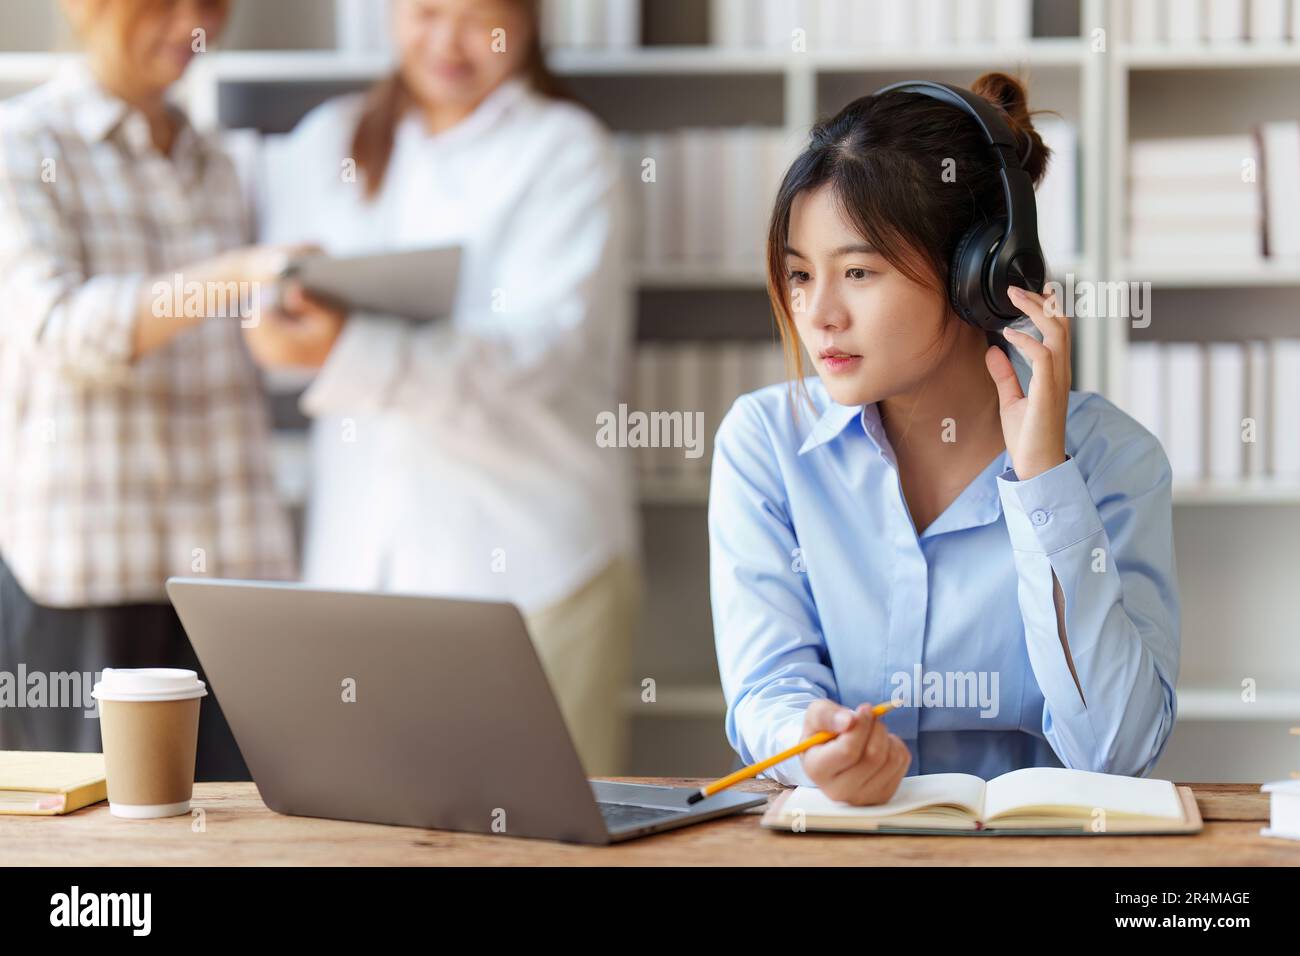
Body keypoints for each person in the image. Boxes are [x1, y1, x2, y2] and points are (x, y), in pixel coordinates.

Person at [709, 73, 1180, 805]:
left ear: (981, 275)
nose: (819, 314)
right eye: (801, 275)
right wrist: (814, 747)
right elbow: (767, 692)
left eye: (858, 271)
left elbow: (1117, 752)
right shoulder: (766, 442)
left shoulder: (1116, 459)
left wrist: (1044, 483)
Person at [244, 0, 640, 775]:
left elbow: (537, 356)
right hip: (363, 568)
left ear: (524, 23)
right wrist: (279, 327)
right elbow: (277, 316)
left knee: (541, 841)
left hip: (534, 567)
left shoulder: (565, 150)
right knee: (369, 836)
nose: (448, 44)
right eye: (426, 13)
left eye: (477, 19)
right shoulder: (327, 140)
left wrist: (347, 344)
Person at [0, 0, 298, 781]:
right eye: (163, 2)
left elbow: (250, 345)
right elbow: (60, 329)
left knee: (247, 829)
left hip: (232, 571)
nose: (191, 24)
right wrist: (237, 273)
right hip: (91, 571)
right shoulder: (22, 143)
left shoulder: (217, 161)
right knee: (106, 837)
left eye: (208, 4)